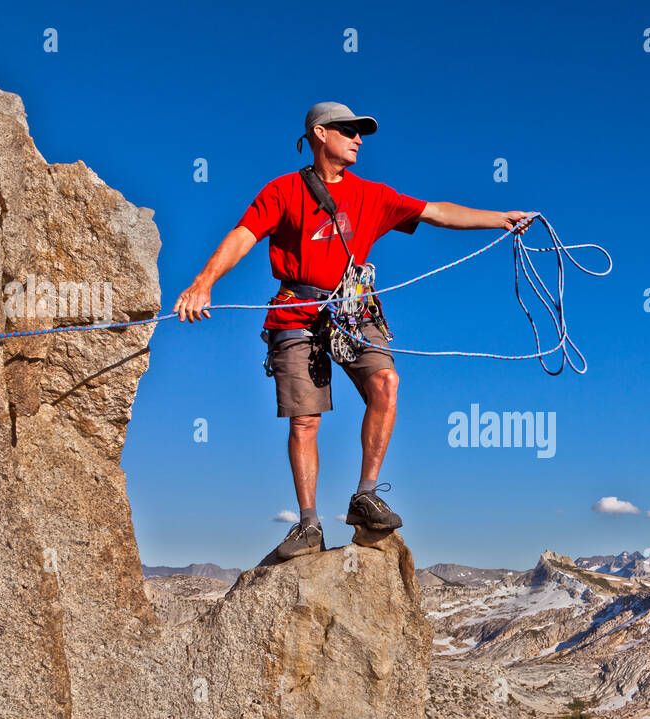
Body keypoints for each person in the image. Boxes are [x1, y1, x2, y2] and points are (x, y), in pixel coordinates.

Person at [174, 102, 532, 559]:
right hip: (296, 310)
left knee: (386, 381)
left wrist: (500, 218)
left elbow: (436, 211)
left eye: (361, 132)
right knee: (305, 419)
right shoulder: (283, 191)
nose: (359, 138)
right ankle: (308, 526)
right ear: (320, 134)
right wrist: (203, 283)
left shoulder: (373, 195)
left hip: (352, 309)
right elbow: (244, 234)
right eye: (348, 130)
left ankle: (365, 498)